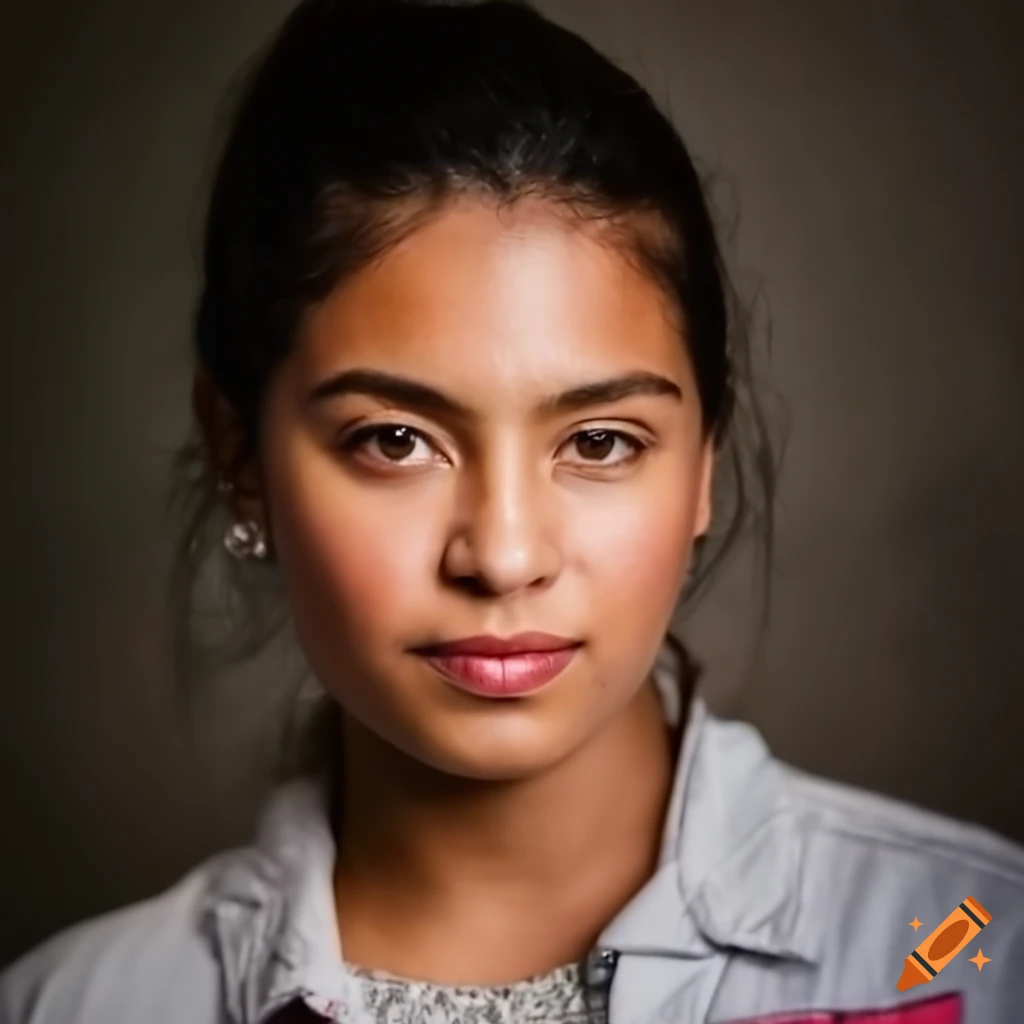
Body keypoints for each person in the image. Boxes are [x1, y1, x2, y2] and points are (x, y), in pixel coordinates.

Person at [2, 1, 1022, 1022]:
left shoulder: (967, 944)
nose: (503, 554)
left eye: (599, 442)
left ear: (703, 458)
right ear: (242, 456)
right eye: (395, 440)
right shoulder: (75, 1005)